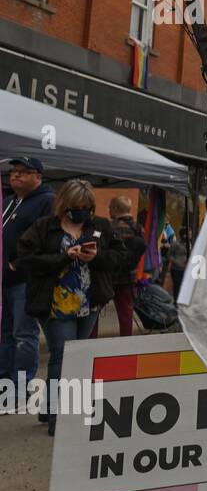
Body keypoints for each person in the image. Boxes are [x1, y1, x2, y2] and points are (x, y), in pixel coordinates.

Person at [17, 179, 126, 434]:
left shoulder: (100, 226)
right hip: (55, 303)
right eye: (76, 206)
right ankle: (59, 419)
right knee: (63, 357)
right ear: (64, 205)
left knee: (75, 357)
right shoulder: (45, 227)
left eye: (87, 206)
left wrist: (96, 257)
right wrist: (62, 257)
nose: (82, 211)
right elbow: (26, 259)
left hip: (90, 303)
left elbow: (122, 257)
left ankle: (49, 408)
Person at [2, 157, 54, 406]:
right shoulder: (8, 201)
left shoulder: (46, 201)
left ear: (38, 176)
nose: (16, 176)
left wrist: (16, 264)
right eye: (14, 171)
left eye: (24, 172)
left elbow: (46, 241)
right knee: (5, 333)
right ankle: (5, 383)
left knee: (23, 334)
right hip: (4, 280)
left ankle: (21, 390)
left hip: (25, 280)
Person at [102, 196, 146, 337]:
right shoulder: (139, 228)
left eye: (110, 208)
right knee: (126, 313)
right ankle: (126, 341)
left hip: (108, 276)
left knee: (95, 311)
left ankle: (91, 341)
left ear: (115, 209)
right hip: (128, 276)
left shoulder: (108, 226)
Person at [164, 226, 190, 297]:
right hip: (176, 269)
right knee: (177, 285)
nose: (190, 236)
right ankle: (176, 301)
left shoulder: (189, 244)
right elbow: (169, 255)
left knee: (183, 285)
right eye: (189, 234)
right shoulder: (176, 244)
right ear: (184, 235)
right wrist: (177, 262)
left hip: (185, 269)